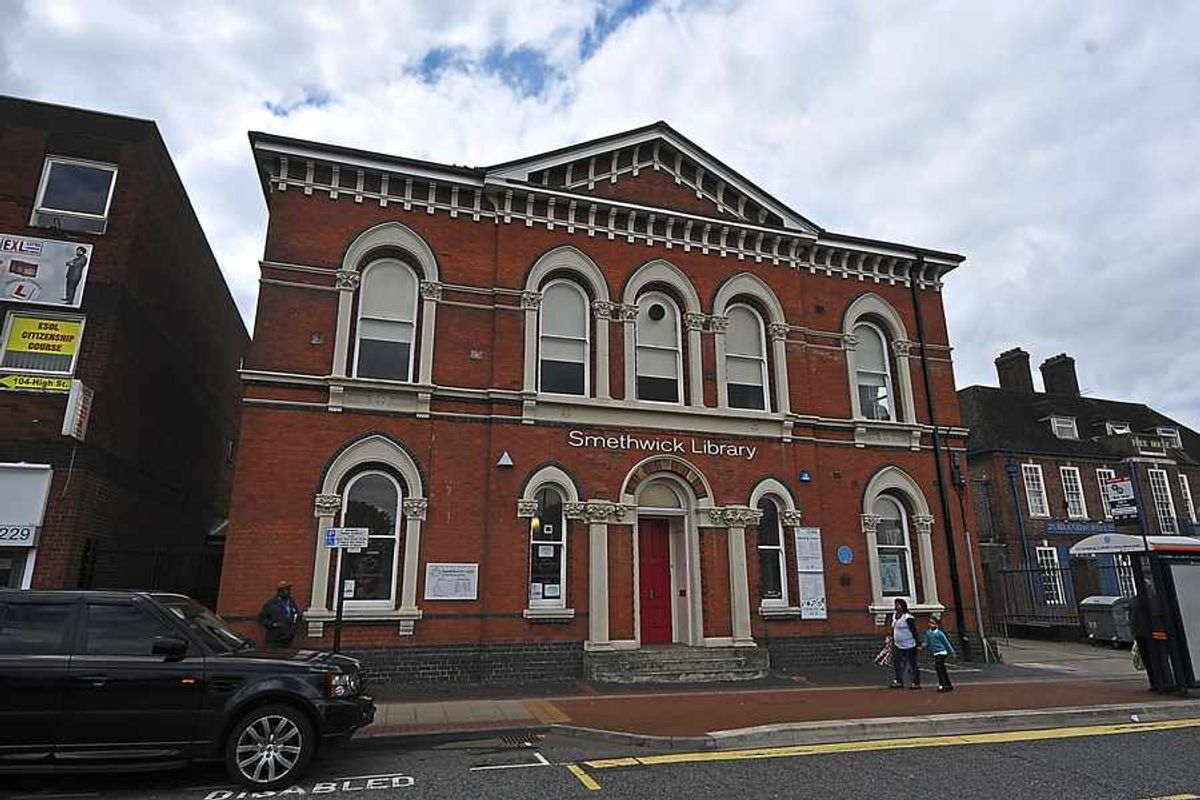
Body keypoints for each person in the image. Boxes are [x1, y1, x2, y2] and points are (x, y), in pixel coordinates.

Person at [259, 580, 302, 647]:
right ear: (280, 591)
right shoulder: (271, 604)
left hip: (288, 636)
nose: (288, 592)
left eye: (289, 589)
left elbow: (296, 616)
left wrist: (294, 629)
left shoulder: (291, 602)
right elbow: (263, 619)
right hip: (274, 637)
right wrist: (273, 625)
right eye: (286, 590)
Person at [890, 598, 920, 689]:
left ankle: (916, 682)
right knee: (897, 663)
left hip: (909, 644)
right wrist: (891, 637)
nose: (896, 606)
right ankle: (899, 681)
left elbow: (914, 630)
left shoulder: (908, 617)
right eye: (895, 605)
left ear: (903, 606)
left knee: (912, 663)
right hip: (897, 644)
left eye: (898, 605)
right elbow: (893, 628)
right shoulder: (894, 616)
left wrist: (918, 643)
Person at [925, 613, 955, 692]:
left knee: (939, 668)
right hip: (935, 653)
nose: (931, 625)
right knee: (942, 669)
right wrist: (922, 646)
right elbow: (927, 642)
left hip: (942, 652)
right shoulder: (928, 633)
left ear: (937, 625)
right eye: (930, 623)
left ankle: (943, 685)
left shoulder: (940, 634)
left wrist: (952, 652)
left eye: (933, 623)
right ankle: (948, 684)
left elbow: (946, 643)